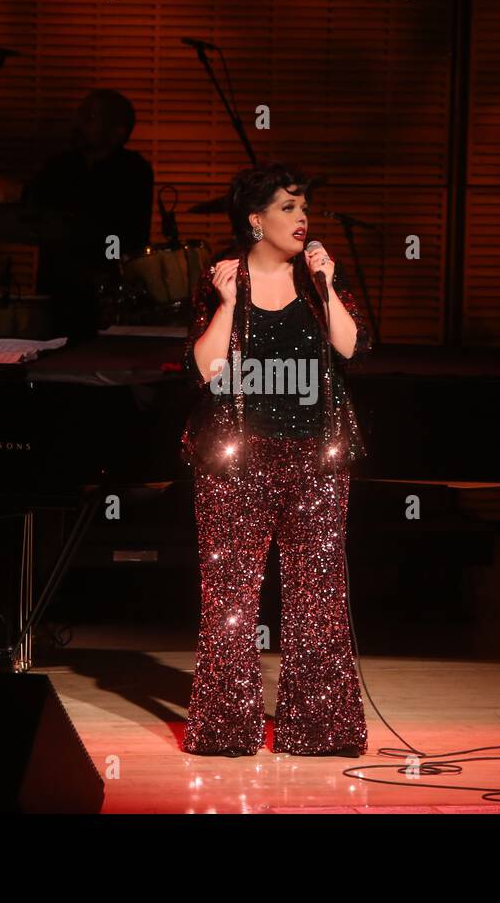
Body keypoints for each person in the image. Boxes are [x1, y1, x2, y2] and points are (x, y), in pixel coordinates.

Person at [179, 162, 372, 756]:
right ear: (255, 219)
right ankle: (224, 728)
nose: (302, 219)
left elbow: (352, 347)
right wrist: (225, 303)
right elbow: (206, 368)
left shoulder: (319, 284)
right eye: (289, 208)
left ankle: (318, 728)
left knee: (319, 594)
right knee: (231, 600)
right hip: (236, 462)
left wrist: (328, 283)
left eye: (304, 208)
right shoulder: (221, 277)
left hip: (315, 461)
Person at [0, 89, 154, 339]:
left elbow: (97, 219)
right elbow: (28, 213)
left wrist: (22, 192)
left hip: (107, 297)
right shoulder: (61, 166)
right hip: (55, 294)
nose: (78, 123)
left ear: (118, 131)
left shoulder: (133, 171)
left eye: (90, 117)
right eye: (80, 115)